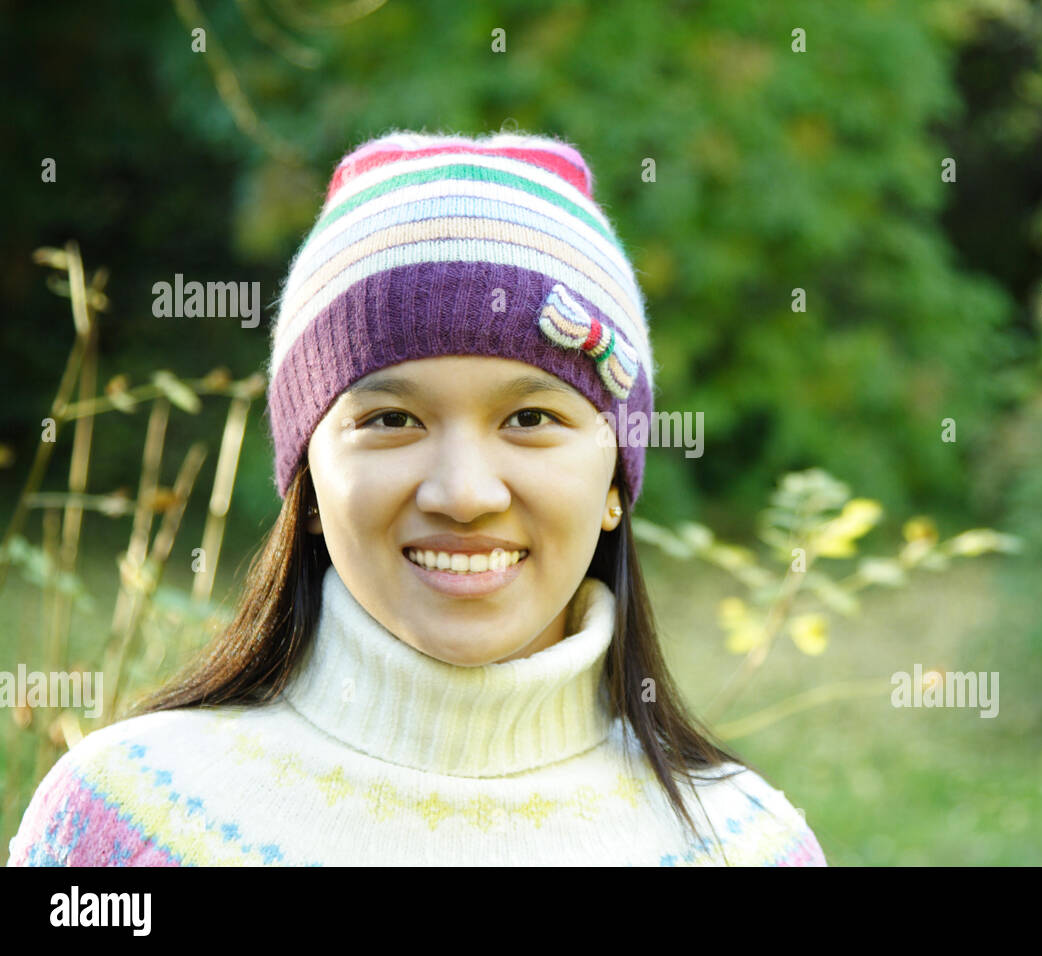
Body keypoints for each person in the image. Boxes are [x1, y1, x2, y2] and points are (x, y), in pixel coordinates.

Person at [7, 131, 828, 866]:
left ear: (616, 479)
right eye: (392, 419)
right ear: (310, 481)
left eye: (532, 417)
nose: (464, 494)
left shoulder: (746, 847)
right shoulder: (123, 822)